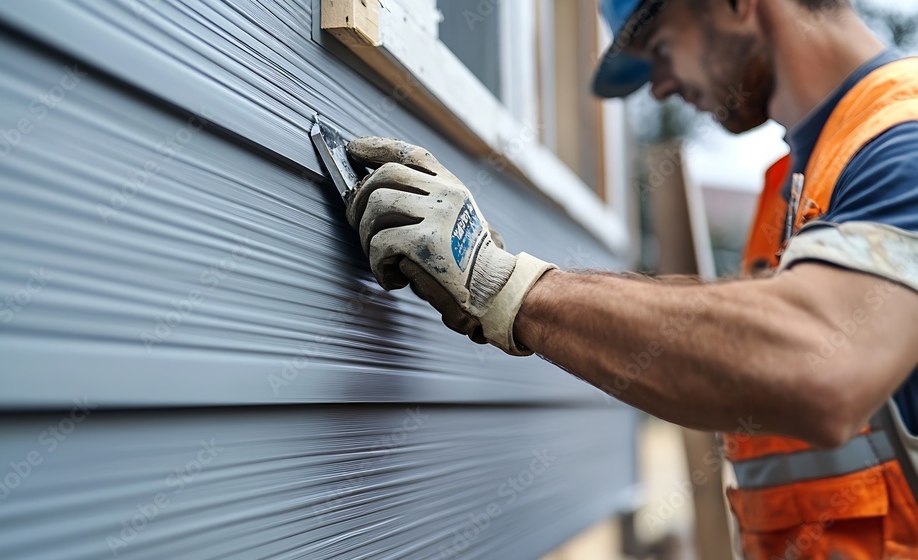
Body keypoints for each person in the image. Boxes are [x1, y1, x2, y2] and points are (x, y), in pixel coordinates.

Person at [342, 0, 918, 557]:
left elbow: (819, 366)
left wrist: (503, 285)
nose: (660, 86)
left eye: (660, 47)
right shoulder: (801, 180)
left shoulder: (903, 139)